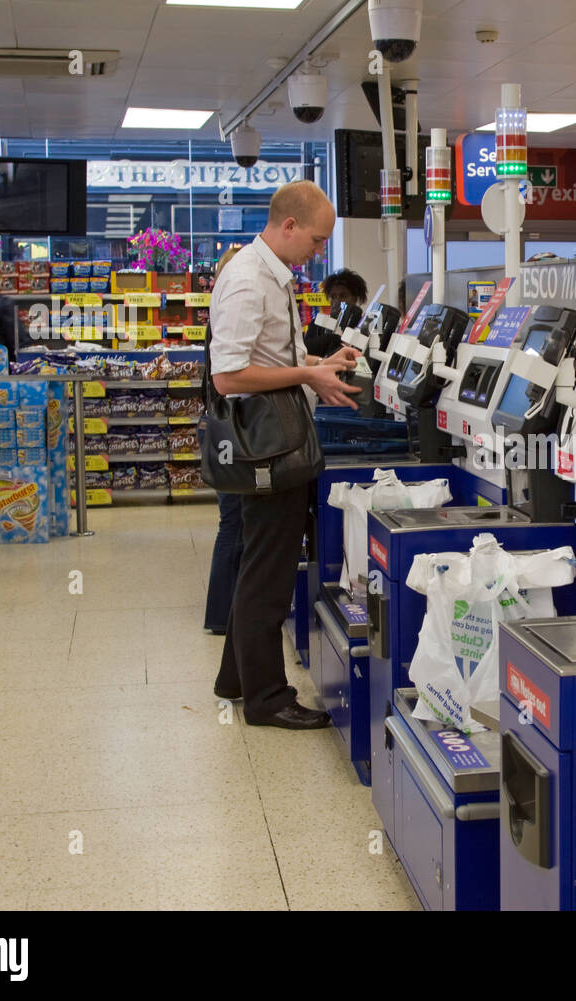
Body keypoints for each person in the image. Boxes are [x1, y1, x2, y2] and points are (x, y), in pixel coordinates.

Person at [208, 180, 362, 729]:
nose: (318, 252)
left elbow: (270, 355)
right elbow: (227, 377)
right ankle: (267, 699)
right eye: (317, 241)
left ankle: (236, 678)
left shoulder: (270, 274)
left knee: (259, 564)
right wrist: (307, 373)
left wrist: (318, 366)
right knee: (268, 574)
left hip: (278, 439)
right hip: (267, 448)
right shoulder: (251, 281)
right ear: (289, 226)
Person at [204, 247, 244, 634]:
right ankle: (220, 617)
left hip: (221, 427)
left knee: (231, 523)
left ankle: (224, 613)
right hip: (231, 430)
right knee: (232, 523)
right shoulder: (228, 316)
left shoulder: (219, 315)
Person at [304, 268, 368, 359]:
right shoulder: (318, 324)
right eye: (333, 296)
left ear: (354, 298)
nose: (337, 301)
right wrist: (332, 338)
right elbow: (305, 351)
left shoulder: (363, 324)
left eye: (343, 296)